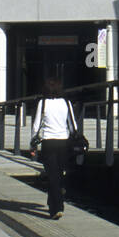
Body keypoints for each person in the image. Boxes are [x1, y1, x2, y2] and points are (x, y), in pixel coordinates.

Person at [30, 77, 76, 220]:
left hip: (48, 142)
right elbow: (73, 124)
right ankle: (56, 203)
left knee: (52, 175)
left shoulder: (42, 103)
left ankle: (56, 207)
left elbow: (36, 125)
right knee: (60, 173)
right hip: (63, 141)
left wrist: (33, 144)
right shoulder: (66, 103)